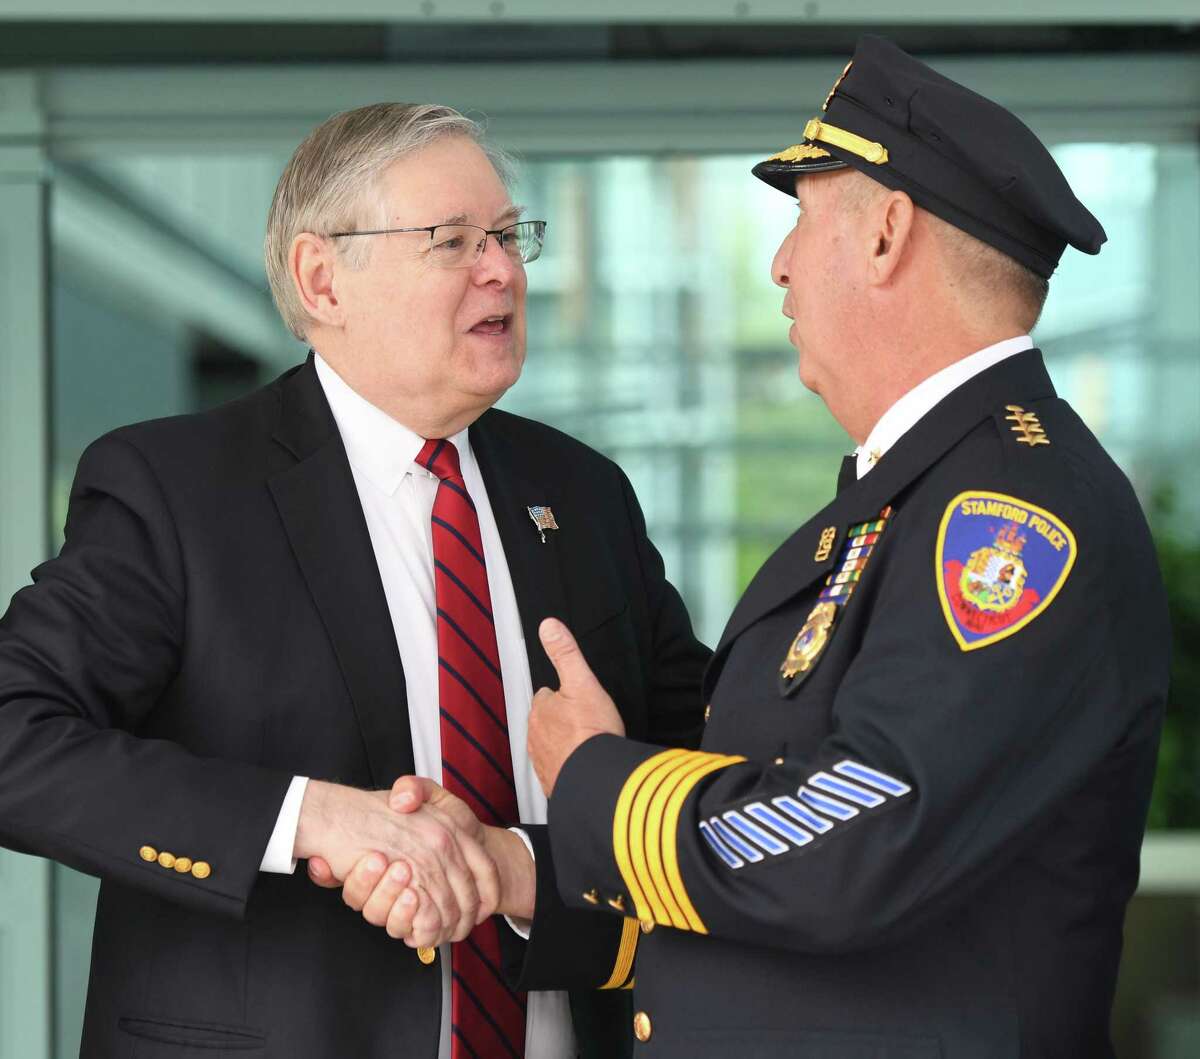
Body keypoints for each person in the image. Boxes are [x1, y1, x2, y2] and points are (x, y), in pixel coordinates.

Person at [346, 36, 1170, 1056]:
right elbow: (793, 868)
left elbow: (855, 837)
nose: (779, 262)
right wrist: (524, 873)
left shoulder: (1006, 515)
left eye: (802, 217)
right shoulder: (908, 494)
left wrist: (597, 777)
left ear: (886, 236)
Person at [0, 103, 708, 1058]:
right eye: (452, 241)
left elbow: (710, 763)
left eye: (506, 235)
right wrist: (309, 817)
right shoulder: (176, 489)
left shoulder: (583, 494)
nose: (503, 269)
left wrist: (590, 802)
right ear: (321, 278)